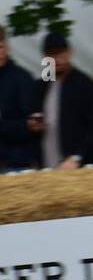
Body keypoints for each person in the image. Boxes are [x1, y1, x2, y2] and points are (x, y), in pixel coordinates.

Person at [29, 31, 93, 170]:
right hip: (46, 167)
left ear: (70, 53)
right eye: (51, 55)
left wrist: (77, 157)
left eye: (60, 53)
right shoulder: (40, 86)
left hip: (77, 168)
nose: (56, 59)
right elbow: (34, 116)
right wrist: (33, 125)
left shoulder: (86, 85)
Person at [0, 24, 37, 172]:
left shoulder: (22, 77)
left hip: (16, 163)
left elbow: (30, 125)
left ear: (7, 48)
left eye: (1, 47)